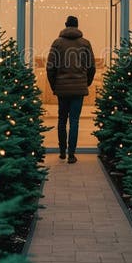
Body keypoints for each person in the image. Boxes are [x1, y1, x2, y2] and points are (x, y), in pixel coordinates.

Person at [46, 15, 95, 163]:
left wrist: (54, 85)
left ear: (65, 25)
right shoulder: (85, 43)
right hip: (78, 89)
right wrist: (86, 83)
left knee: (62, 120)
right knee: (74, 121)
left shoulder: (57, 43)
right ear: (77, 26)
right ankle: (71, 155)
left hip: (62, 89)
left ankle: (62, 152)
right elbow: (92, 67)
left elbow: (50, 68)